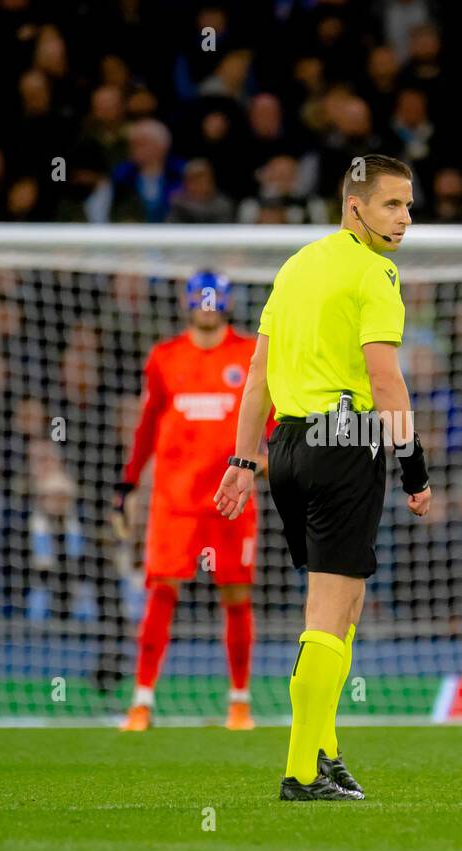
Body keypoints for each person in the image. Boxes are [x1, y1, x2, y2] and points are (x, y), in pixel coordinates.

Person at [214, 154, 432, 801]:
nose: (405, 218)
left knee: (344, 604)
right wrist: (414, 466)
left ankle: (325, 751)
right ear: (355, 205)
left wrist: (243, 458)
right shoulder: (375, 273)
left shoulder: (297, 265)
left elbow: (258, 374)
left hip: (289, 446)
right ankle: (301, 772)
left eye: (410, 205)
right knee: (328, 615)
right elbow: (385, 378)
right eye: (393, 204)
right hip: (347, 441)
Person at [115, 271, 272, 732]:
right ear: (186, 303)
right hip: (174, 501)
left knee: (237, 596)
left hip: (231, 499)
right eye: (200, 298)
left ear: (228, 303)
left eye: (215, 298)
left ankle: (239, 702)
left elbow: (272, 418)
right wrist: (127, 483)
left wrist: (272, 461)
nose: (207, 305)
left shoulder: (250, 355)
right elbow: (146, 427)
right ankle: (142, 702)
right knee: (160, 592)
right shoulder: (165, 358)